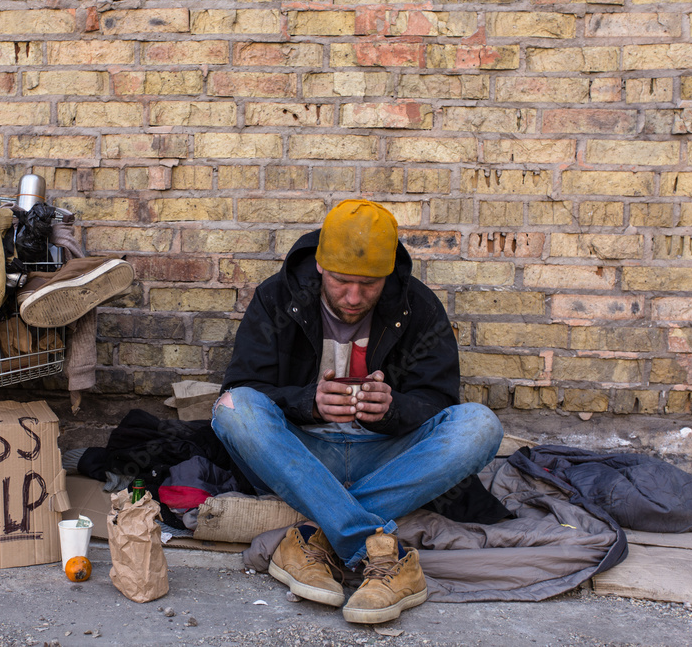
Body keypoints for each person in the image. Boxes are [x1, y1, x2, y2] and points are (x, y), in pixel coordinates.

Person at [211, 199, 503, 624]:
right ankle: (375, 546)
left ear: (386, 275)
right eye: (343, 282)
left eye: (369, 285)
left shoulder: (418, 306)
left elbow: (440, 402)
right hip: (302, 455)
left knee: (481, 425)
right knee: (232, 409)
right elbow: (242, 387)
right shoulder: (277, 298)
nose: (353, 297)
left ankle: (318, 535)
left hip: (386, 456)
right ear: (320, 268)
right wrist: (307, 403)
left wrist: (392, 409)